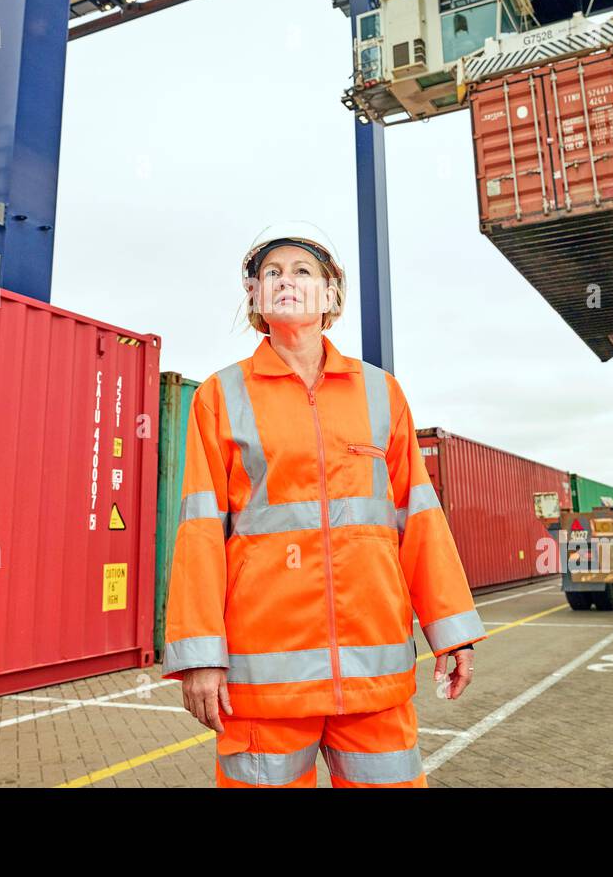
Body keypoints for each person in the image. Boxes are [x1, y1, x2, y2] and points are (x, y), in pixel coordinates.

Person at [161, 221, 486, 788]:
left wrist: (451, 629)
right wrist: (199, 655)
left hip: (374, 674)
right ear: (256, 299)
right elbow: (198, 533)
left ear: (331, 296)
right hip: (264, 680)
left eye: (303, 271)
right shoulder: (221, 395)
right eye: (272, 274)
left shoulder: (381, 392)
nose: (286, 280)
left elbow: (420, 516)